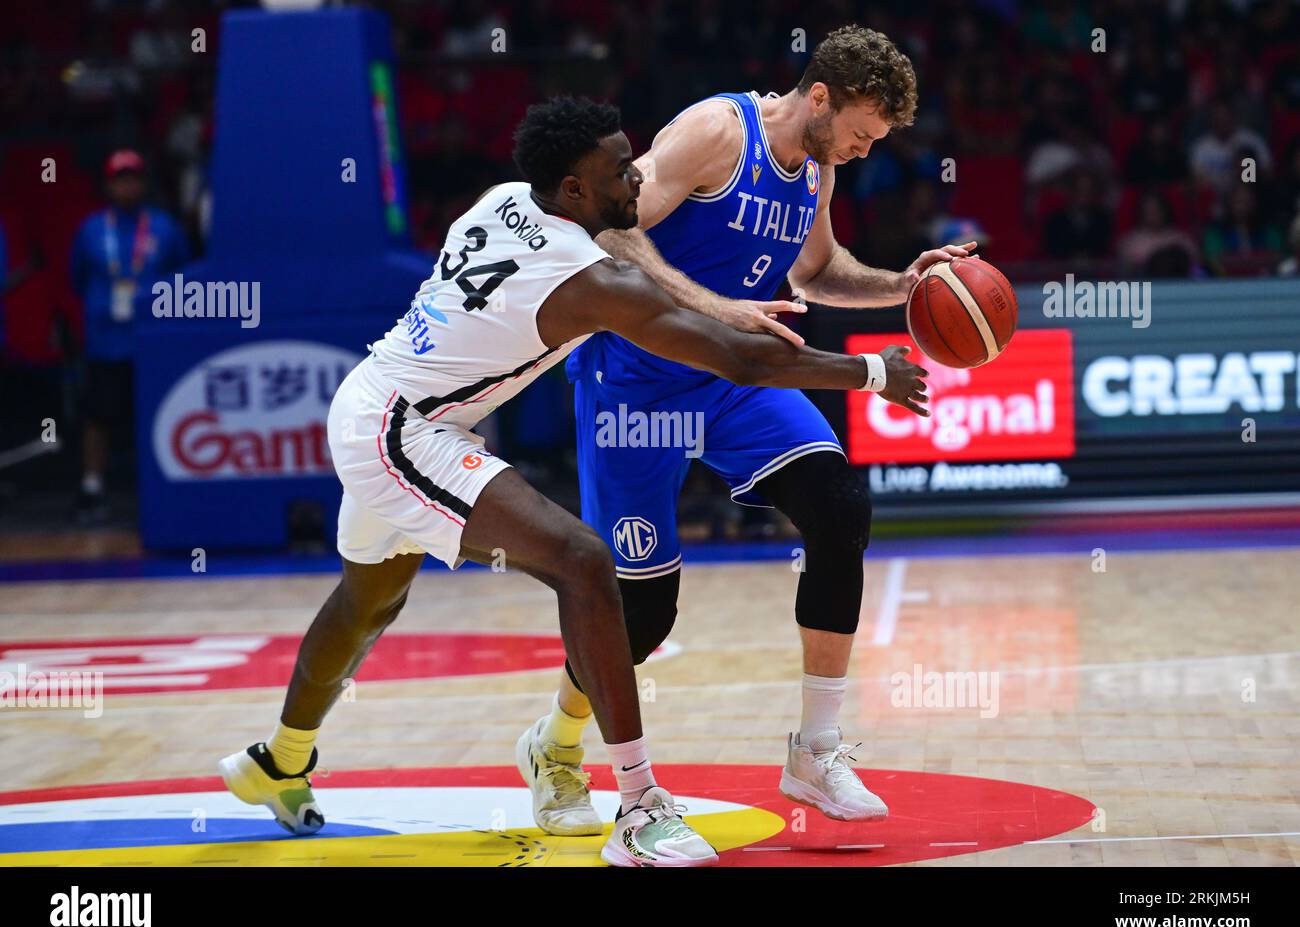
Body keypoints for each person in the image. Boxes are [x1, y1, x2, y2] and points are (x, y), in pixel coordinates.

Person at [219, 96, 930, 868]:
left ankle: (280, 760)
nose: (637, 177)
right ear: (573, 191)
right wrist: (868, 371)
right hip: (401, 431)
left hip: (384, 403)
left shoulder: (502, 200)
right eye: (618, 171)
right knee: (585, 562)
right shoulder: (591, 278)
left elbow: (718, 321)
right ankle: (639, 806)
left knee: (368, 601)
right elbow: (742, 360)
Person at [515, 26, 967, 837]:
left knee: (839, 507)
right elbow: (614, 227)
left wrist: (909, 283)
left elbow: (818, 273)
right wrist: (714, 307)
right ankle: (555, 744)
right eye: (861, 131)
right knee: (643, 617)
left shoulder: (817, 169)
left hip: (733, 381)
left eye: (873, 143)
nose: (863, 152)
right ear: (820, 96)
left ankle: (815, 752)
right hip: (639, 387)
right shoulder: (719, 132)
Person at [69, 149, 190, 520]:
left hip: (152, 344)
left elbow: (184, 280)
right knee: (98, 416)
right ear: (108, 184)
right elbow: (77, 278)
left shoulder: (164, 228)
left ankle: (159, 490)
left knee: (157, 415)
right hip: (106, 343)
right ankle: (92, 488)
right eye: (120, 178)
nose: (127, 184)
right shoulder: (91, 229)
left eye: (133, 177)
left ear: (143, 182)